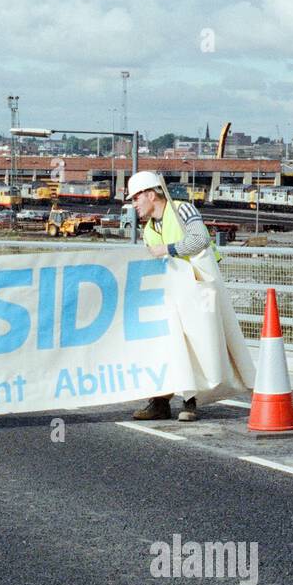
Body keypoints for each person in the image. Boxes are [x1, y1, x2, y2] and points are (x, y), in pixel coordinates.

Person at [127, 170, 218, 422]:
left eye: (136, 198)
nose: (134, 204)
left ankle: (190, 401)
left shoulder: (183, 211)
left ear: (150, 194)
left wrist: (166, 249)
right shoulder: (149, 229)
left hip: (200, 288)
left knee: (195, 344)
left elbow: (200, 240)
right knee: (162, 344)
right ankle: (160, 401)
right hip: (172, 292)